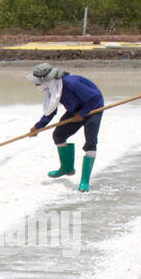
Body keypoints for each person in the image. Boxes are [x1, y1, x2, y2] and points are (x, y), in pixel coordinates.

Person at [27, 63, 104, 193]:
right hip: (76, 110)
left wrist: (82, 113)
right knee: (59, 135)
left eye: (38, 82)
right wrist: (38, 127)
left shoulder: (70, 83)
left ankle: (84, 181)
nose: (37, 85)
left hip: (94, 108)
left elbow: (94, 98)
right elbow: (51, 110)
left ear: (46, 80)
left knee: (90, 143)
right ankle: (67, 168)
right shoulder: (53, 88)